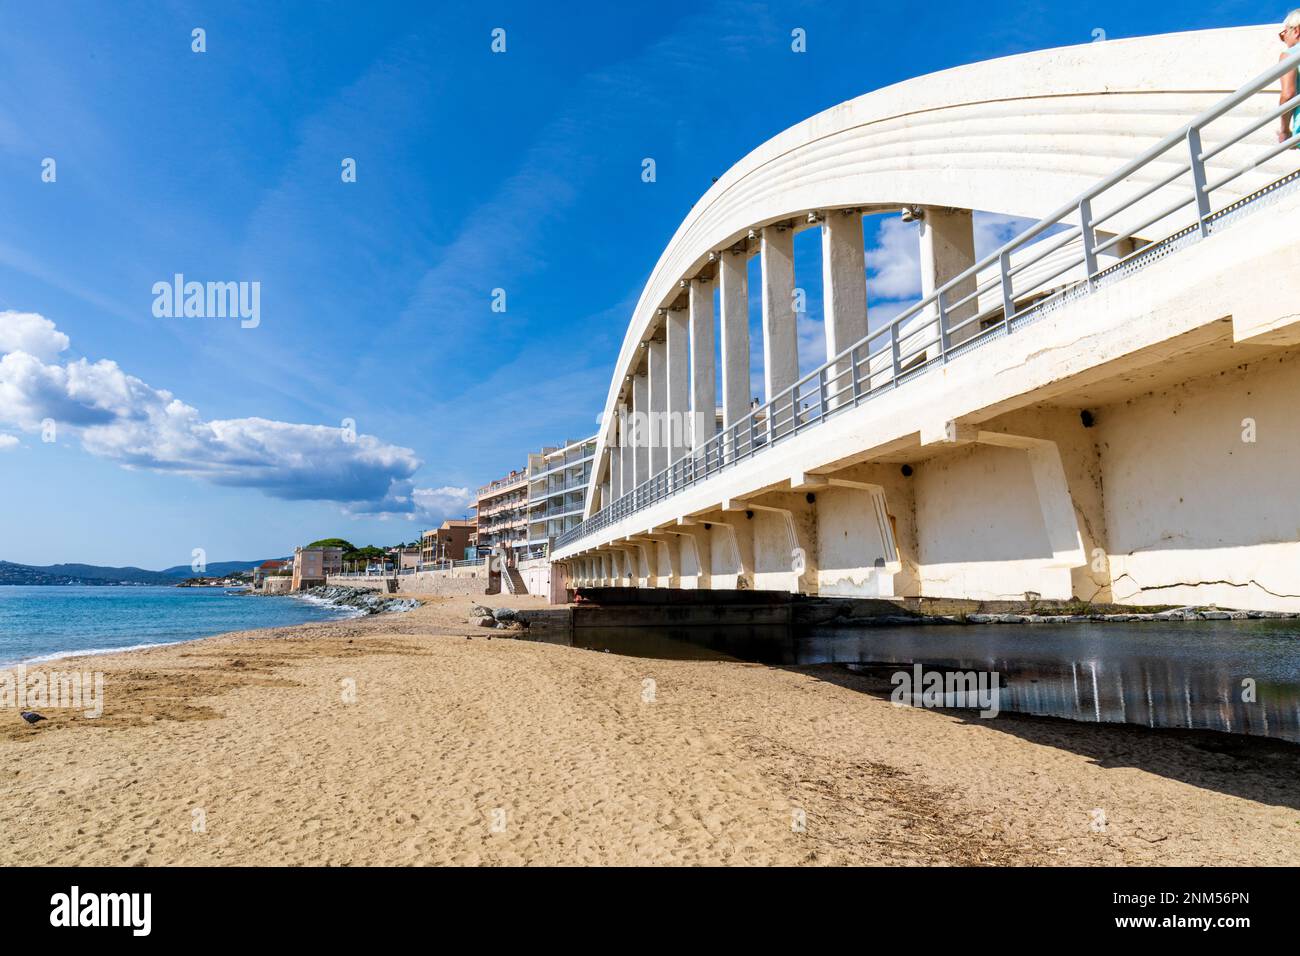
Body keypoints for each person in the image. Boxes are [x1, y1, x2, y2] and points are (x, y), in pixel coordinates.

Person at [1278, 10, 1300, 144]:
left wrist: (1285, 130)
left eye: (1284, 34)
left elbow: (1288, 94)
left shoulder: (1290, 55)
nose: (1284, 39)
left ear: (1296, 31)